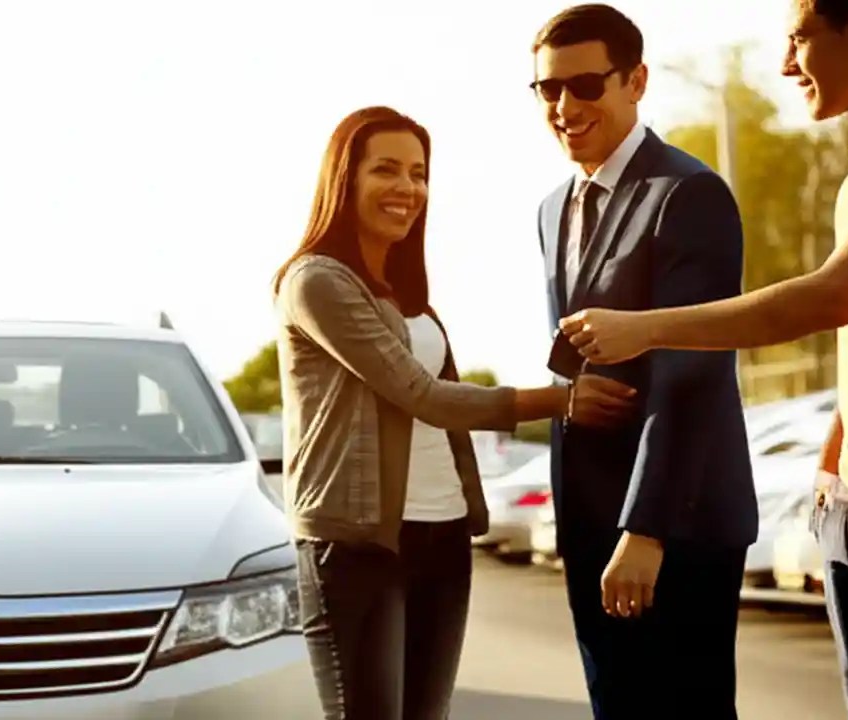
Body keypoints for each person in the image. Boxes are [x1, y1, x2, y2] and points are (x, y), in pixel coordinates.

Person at [557, 2, 848, 716]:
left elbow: (823, 299)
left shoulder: (690, 190)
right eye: (545, 89)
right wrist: (833, 464)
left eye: (798, 40)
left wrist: (646, 328)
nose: (784, 65)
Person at [271, 104, 637, 720]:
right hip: (357, 542)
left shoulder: (411, 298)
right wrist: (557, 401)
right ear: (344, 180)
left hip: (440, 534)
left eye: (418, 173)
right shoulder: (316, 282)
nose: (407, 188)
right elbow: (421, 394)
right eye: (385, 170)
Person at [527, 5, 759, 718]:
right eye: (547, 90)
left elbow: (693, 373)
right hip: (589, 519)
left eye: (586, 85)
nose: (565, 107)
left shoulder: (688, 194)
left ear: (636, 81)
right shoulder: (550, 208)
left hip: (673, 526)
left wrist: (645, 529)